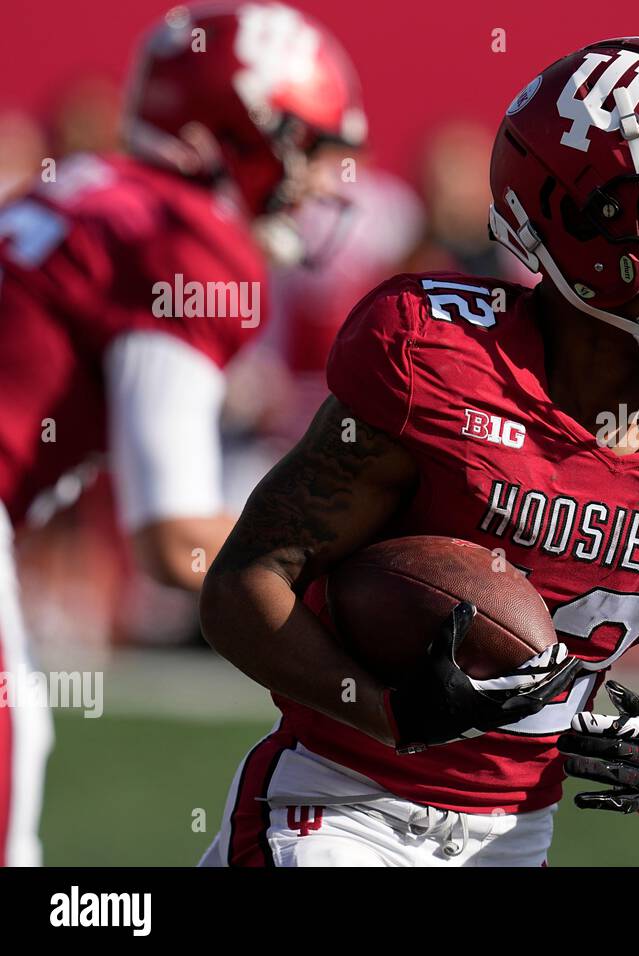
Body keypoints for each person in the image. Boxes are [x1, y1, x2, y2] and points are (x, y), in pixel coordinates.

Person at [198, 37, 639, 867]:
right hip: (341, 805)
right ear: (581, 215)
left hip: (516, 838)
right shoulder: (438, 364)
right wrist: (388, 709)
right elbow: (242, 587)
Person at [0, 1, 365, 866]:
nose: (318, 183)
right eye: (308, 149)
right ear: (245, 132)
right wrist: (347, 593)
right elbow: (174, 541)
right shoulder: (187, 241)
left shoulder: (89, 186)